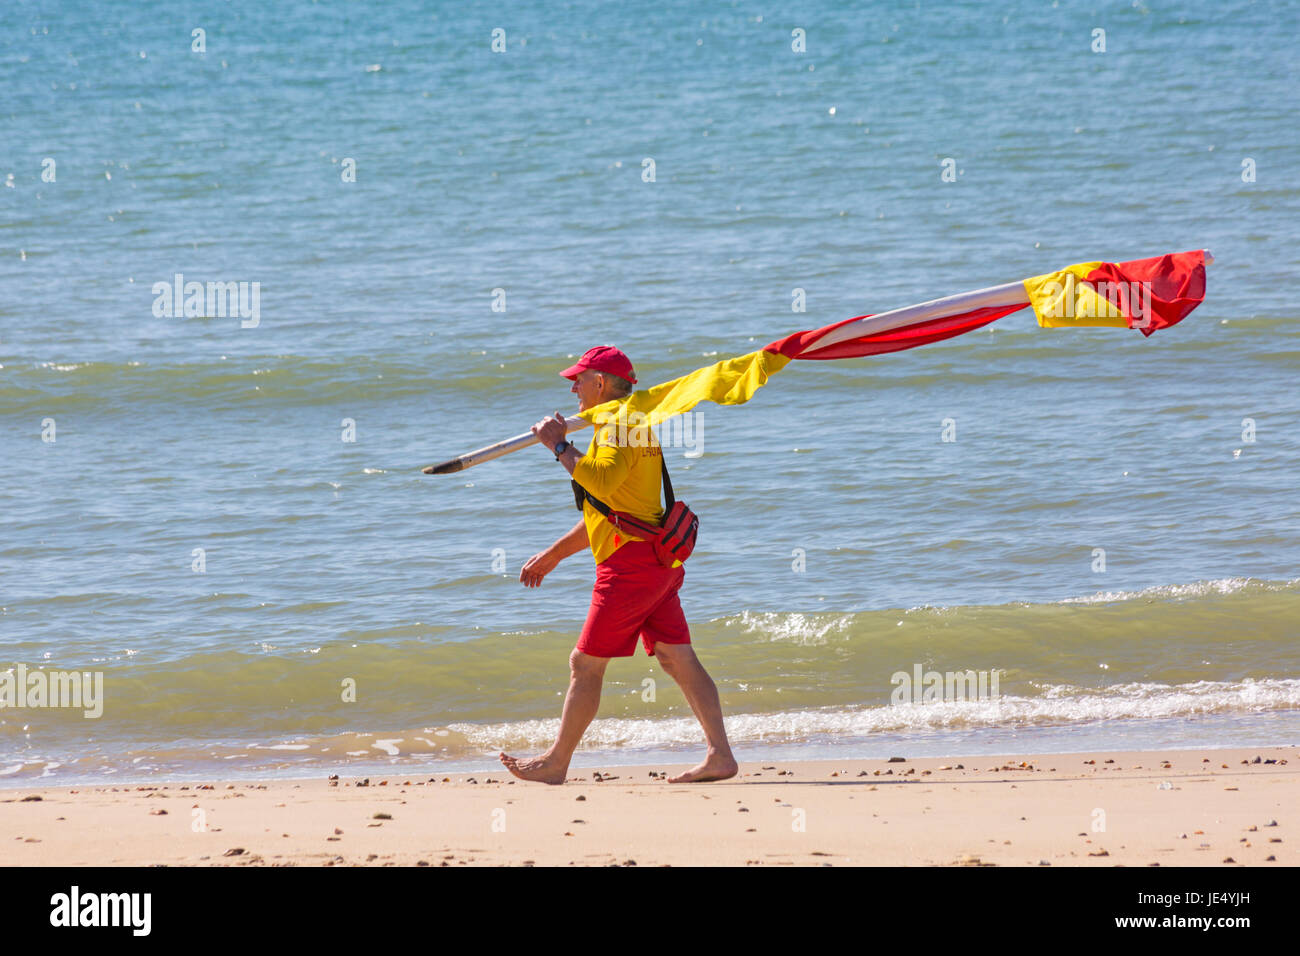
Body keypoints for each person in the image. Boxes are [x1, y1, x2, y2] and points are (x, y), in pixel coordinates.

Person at [498, 345, 738, 784]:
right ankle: (720, 756)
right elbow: (611, 512)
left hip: (630, 569)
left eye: (579, 379)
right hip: (655, 564)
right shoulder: (631, 423)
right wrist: (553, 555)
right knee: (677, 658)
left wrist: (557, 445)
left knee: (584, 665)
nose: (573, 387)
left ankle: (556, 763)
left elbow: (602, 484)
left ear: (602, 383)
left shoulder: (616, 425)